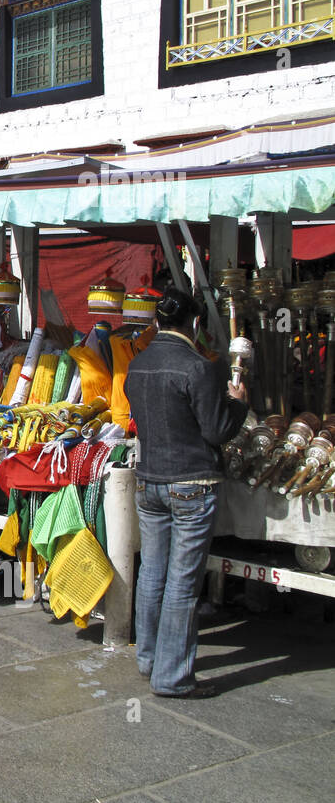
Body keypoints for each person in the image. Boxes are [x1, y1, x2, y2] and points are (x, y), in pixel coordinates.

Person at [124, 288, 248, 699]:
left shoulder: (138, 365)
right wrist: (238, 405)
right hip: (191, 483)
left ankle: (149, 657)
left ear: (157, 322)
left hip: (150, 481)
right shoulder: (199, 367)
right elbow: (216, 430)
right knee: (181, 582)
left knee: (153, 572)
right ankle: (172, 677)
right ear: (194, 324)